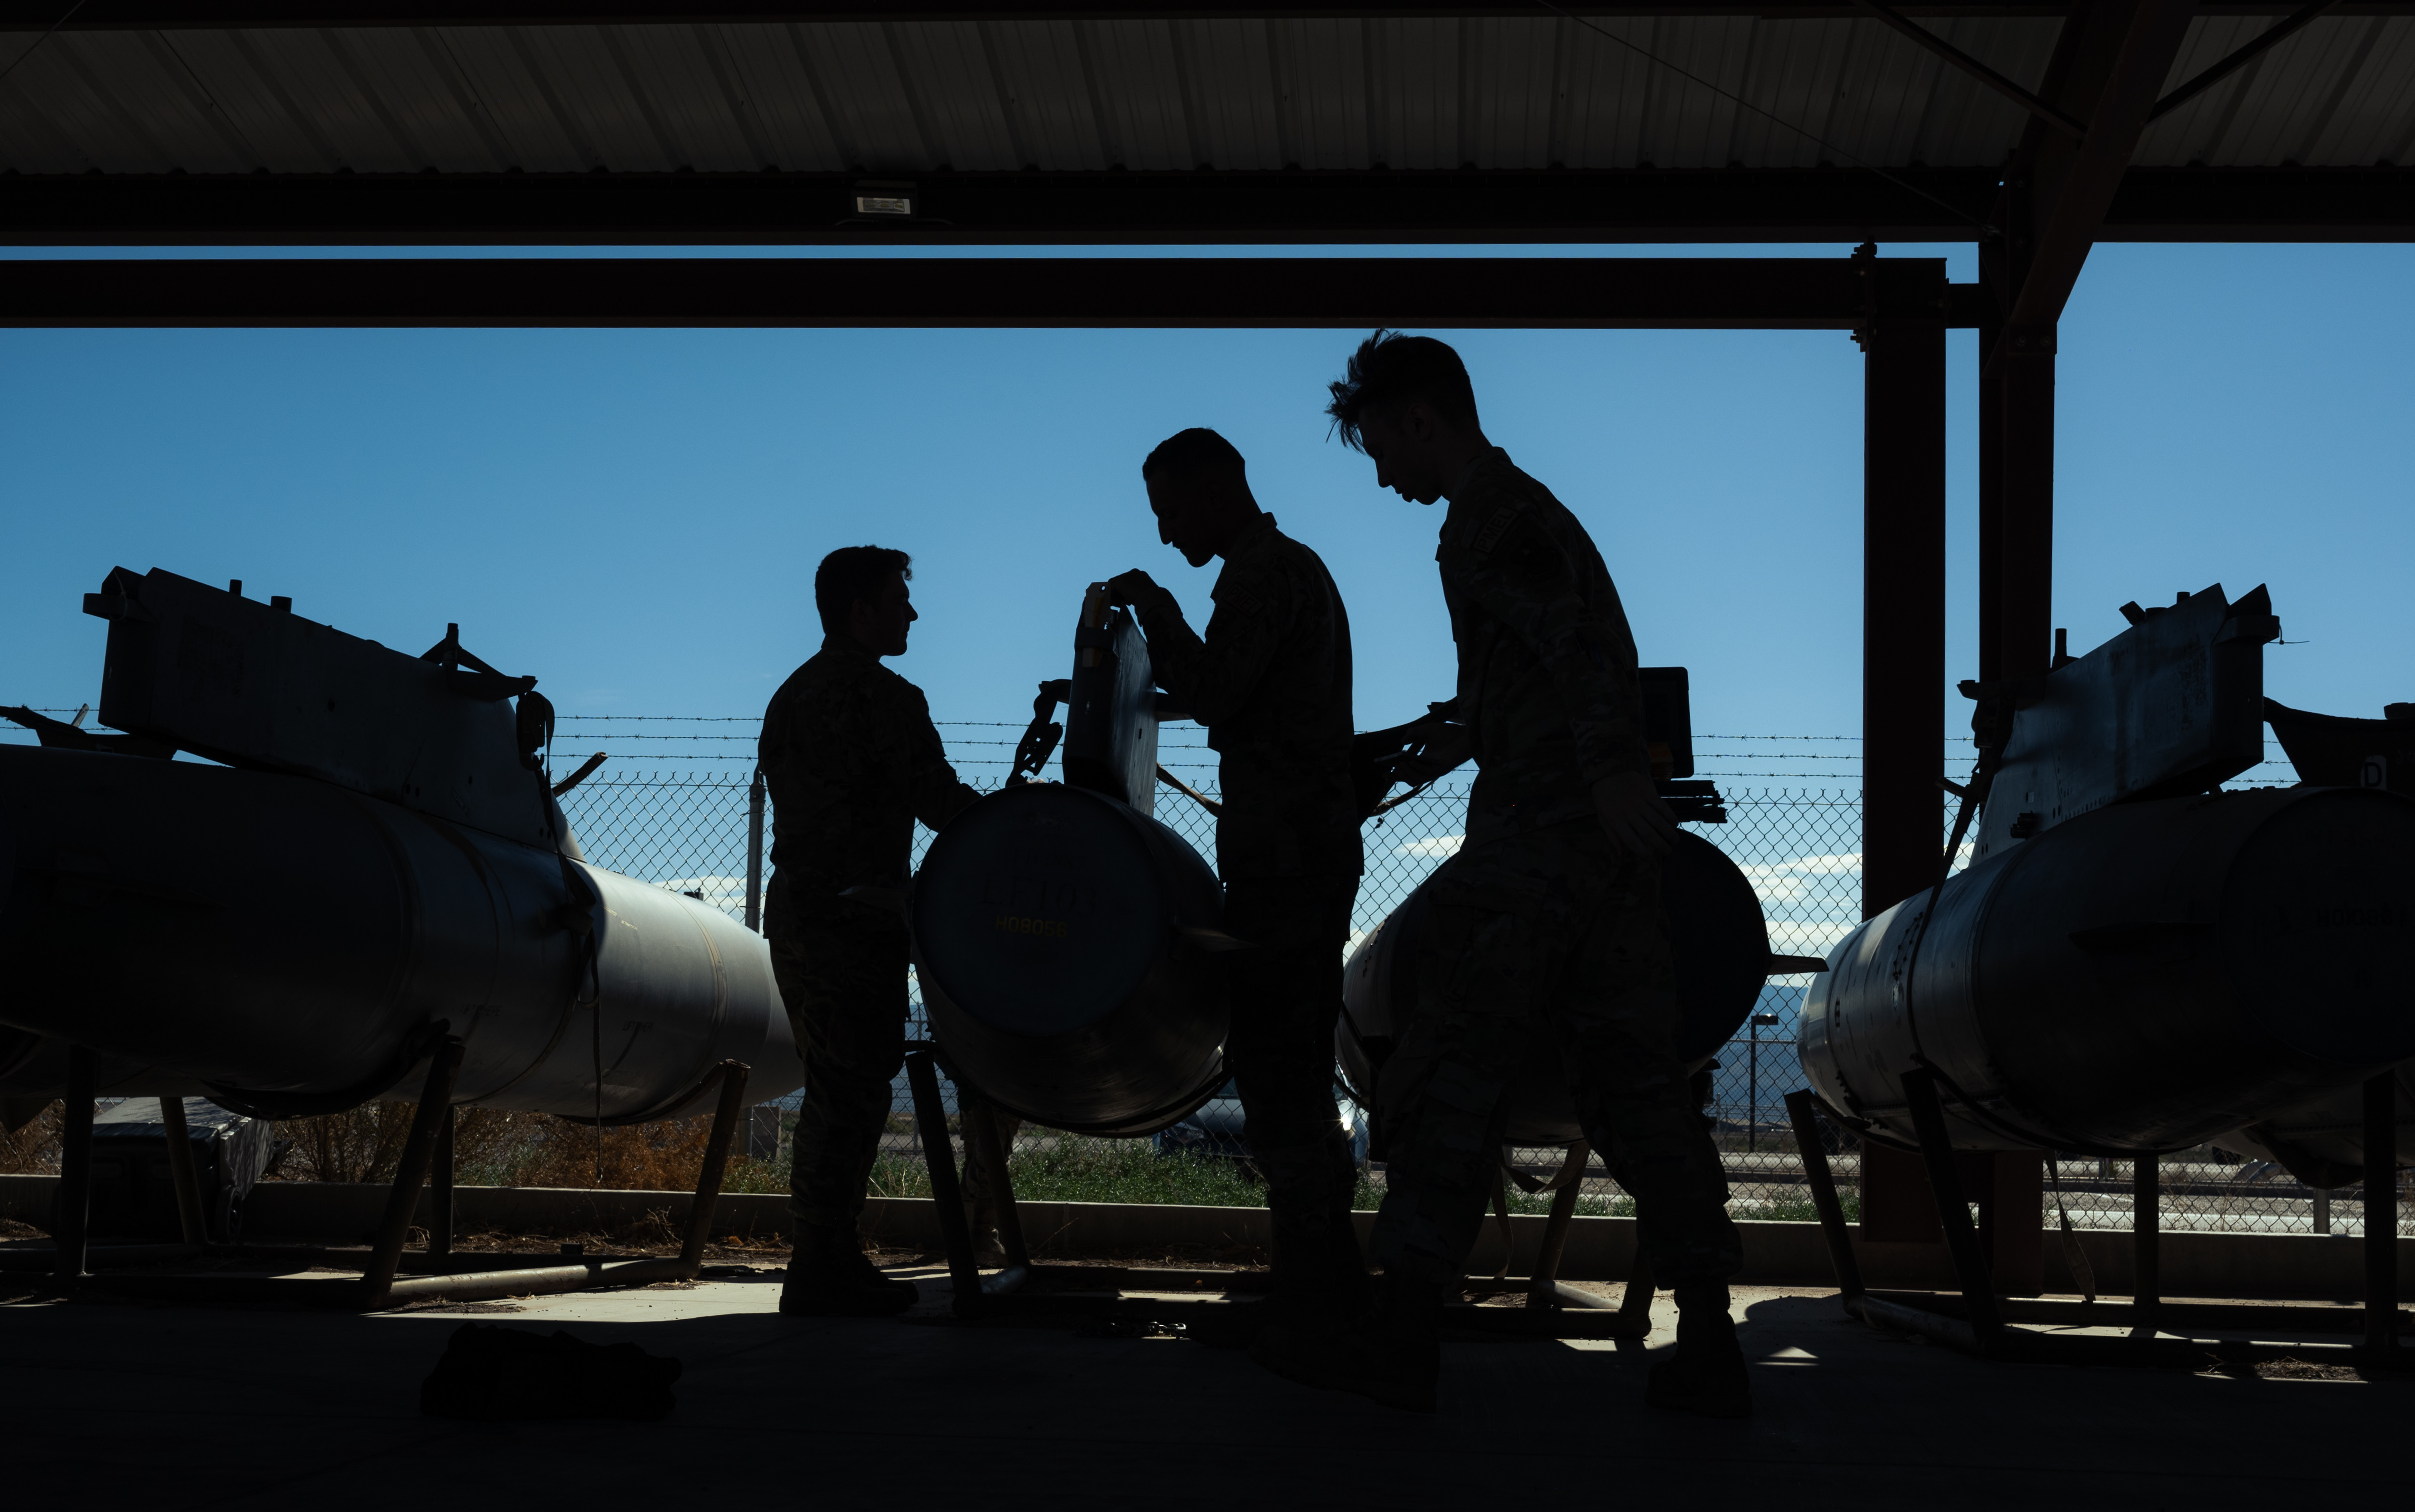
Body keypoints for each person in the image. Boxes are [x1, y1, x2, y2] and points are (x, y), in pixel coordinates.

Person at [1250, 333, 1747, 1416]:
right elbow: (1522, 676)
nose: (1382, 471)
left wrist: (1613, 771)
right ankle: (1711, 1338)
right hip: (1591, 850)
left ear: (1422, 418)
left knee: (1443, 1066)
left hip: (1543, 838)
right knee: (1632, 1083)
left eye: (1381, 443)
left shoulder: (1496, 517)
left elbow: (1576, 646)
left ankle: (1403, 1330)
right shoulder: (1508, 514)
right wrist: (1439, 742)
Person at [1101, 427, 1367, 1327]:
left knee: (1280, 1069)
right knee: (1285, 1064)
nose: (1168, 533)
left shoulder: (1263, 575)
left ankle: (1316, 1292)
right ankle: (1318, 1274)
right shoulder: (1290, 569)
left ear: (1215, 492)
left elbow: (1217, 692)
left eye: (1171, 511)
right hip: (1296, 847)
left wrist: (1159, 610)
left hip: (1287, 855)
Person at [760, 546, 981, 1316]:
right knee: (850, 1093)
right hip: (856, 919)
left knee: (837, 1086)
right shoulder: (887, 699)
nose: (910, 612)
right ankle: (821, 1263)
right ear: (861, 613)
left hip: (799, 913)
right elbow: (937, 799)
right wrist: (1014, 823)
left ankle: (825, 1256)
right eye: (897, 600)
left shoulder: (790, 697)